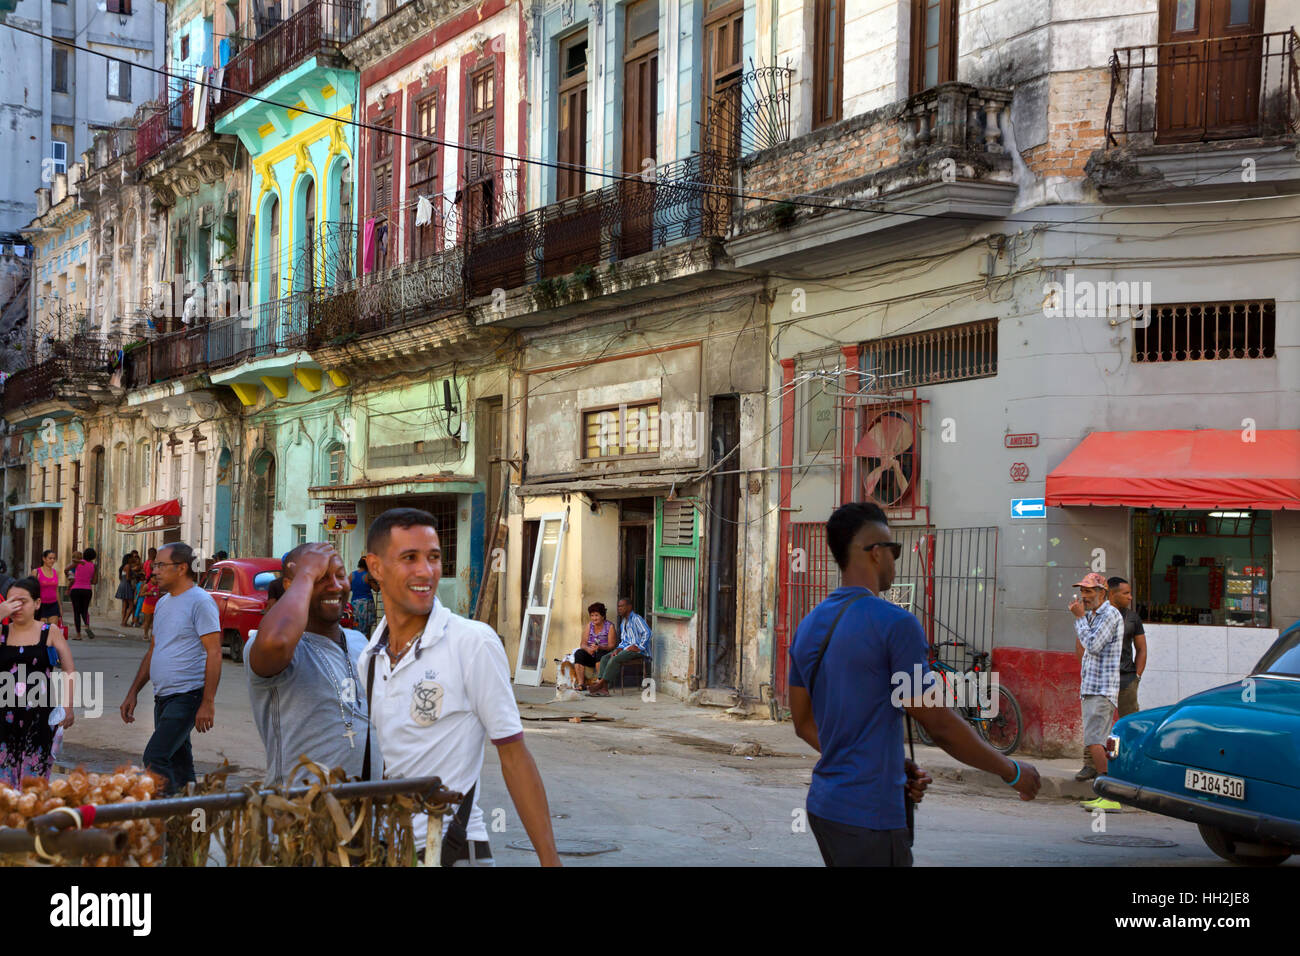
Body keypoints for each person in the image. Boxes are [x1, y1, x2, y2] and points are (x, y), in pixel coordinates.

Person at [789, 502, 1041, 867]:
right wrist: (1012, 771)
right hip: (870, 816)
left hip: (826, 808)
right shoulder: (896, 624)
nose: (896, 560)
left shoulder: (809, 625)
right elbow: (938, 724)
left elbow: (803, 723)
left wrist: (887, 763)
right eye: (894, 550)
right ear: (876, 553)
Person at [360, 507, 560, 867]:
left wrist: (550, 861)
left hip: (455, 850)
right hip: (390, 853)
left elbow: (514, 755)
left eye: (434, 557)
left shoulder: (471, 643)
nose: (426, 571)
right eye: (410, 558)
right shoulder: (371, 657)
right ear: (375, 567)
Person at [247, 543, 376, 785]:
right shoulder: (271, 644)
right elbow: (276, 641)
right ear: (291, 585)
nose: (335, 586)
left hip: (364, 813)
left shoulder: (359, 641)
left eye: (339, 575)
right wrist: (306, 574)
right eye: (319, 577)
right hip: (299, 813)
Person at [119, 542, 222, 795]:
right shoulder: (164, 603)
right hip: (163, 697)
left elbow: (215, 652)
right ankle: (191, 824)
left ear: (181, 568)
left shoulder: (200, 602)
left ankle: (165, 817)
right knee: (180, 763)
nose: (154, 571)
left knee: (155, 757)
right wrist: (133, 692)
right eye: (154, 566)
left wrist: (207, 702)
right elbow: (154, 650)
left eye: (160, 565)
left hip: (187, 696)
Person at [0, 577, 76, 786]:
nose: (16, 607)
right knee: (4, 788)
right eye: (11, 601)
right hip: (4, 720)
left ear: (37, 603)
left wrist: (68, 706)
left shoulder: (49, 632)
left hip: (39, 718)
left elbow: (69, 669)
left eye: (22, 601)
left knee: (33, 786)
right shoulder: (2, 632)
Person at [1068, 572, 1125, 811]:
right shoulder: (1095, 616)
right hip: (1092, 687)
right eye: (1083, 591)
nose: (1084, 596)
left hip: (1102, 689)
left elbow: (1093, 645)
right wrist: (1084, 619)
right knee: (1096, 741)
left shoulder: (1109, 614)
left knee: (1095, 742)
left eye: (1089, 591)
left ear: (1102, 593)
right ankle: (1107, 792)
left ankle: (1110, 795)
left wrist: (1079, 619)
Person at [584, 597, 651, 697]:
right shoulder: (623, 622)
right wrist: (618, 649)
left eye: (621, 606)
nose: (619, 608)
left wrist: (640, 647)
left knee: (615, 659)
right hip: (626, 649)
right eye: (618, 606)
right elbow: (624, 640)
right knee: (605, 658)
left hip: (638, 651)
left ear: (629, 607)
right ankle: (604, 689)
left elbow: (648, 633)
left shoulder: (636, 618)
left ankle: (600, 684)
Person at [572, 602, 617, 692]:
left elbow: (612, 645)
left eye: (596, 615)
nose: (594, 618)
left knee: (600, 654)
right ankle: (581, 683)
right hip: (591, 654)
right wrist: (588, 649)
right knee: (579, 653)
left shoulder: (610, 626)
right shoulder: (590, 626)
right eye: (592, 615)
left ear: (603, 616)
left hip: (603, 653)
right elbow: (583, 644)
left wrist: (600, 647)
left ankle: (599, 683)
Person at [67, 547, 98, 640]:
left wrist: (69, 575)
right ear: (93, 557)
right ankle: (87, 626)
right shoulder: (94, 566)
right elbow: (95, 581)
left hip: (76, 589)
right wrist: (87, 580)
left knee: (76, 612)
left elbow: (66, 569)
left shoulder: (77, 563)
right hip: (87, 590)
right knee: (84, 610)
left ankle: (78, 634)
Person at [33, 550, 63, 630]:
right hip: (40, 606)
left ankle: (49, 642)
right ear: (44, 559)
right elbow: (31, 589)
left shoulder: (55, 572)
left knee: (52, 630)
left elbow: (56, 590)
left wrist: (60, 607)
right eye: (50, 558)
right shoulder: (36, 572)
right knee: (41, 630)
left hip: (53, 605)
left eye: (54, 558)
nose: (52, 560)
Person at [350, 558, 376, 636]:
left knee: (355, 625)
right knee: (366, 628)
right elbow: (376, 589)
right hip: (366, 605)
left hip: (354, 604)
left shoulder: (352, 575)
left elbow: (348, 588)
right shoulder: (368, 575)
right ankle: (365, 645)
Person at [140, 571, 162, 643]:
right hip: (148, 605)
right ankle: (145, 634)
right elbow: (141, 594)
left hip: (156, 605)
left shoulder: (159, 586)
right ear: (151, 578)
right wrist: (148, 593)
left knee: (154, 622)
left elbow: (160, 595)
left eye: (157, 578)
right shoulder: (147, 586)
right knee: (147, 621)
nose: (156, 580)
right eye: (155, 578)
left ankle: (152, 635)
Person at [115, 555, 136, 626]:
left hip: (122, 585)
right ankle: (124, 621)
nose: (132, 559)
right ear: (128, 559)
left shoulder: (122, 567)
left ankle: (123, 622)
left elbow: (121, 577)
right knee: (131, 605)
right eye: (131, 558)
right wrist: (134, 576)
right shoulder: (128, 566)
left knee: (124, 604)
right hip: (127, 585)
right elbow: (127, 578)